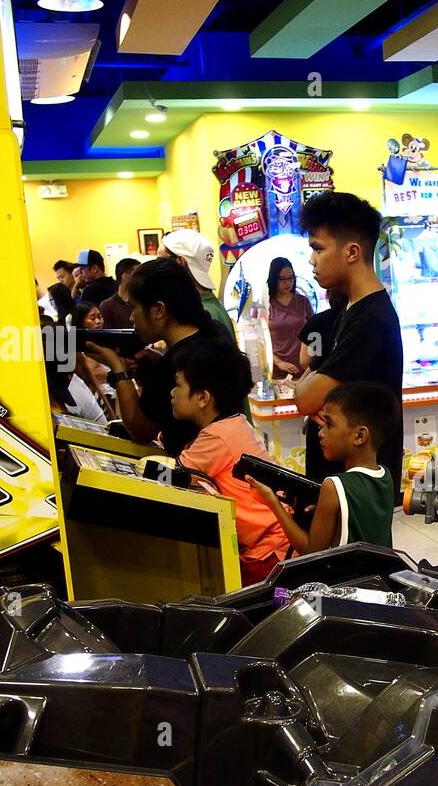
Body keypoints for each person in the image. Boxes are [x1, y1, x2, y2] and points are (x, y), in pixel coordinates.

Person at [293, 192, 404, 490]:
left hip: (358, 486)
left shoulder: (370, 318)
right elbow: (308, 389)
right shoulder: (348, 309)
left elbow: (305, 398)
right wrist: (314, 388)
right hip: (341, 480)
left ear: (352, 252)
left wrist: (313, 391)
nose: (311, 260)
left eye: (318, 249)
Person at [81, 257, 236, 457]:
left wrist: (118, 368)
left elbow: (139, 431)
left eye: (134, 308)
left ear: (159, 310)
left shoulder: (174, 366)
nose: (131, 318)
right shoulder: (215, 331)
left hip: (194, 476)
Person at [170, 339, 291, 585]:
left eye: (178, 385)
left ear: (203, 397)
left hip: (264, 553)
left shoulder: (217, 436)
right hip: (276, 540)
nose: (172, 392)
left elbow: (173, 475)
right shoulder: (235, 423)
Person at [251, 381, 397, 551]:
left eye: (329, 424)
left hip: (346, 576)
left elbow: (311, 550)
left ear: (360, 435)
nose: (320, 433)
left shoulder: (333, 486)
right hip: (380, 573)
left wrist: (273, 502)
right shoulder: (385, 475)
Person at [159, 229, 237, 341]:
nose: (157, 268)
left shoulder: (202, 315)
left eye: (160, 261)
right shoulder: (209, 306)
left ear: (180, 262)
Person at [265, 257, 314, 378]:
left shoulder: (303, 302)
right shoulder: (266, 305)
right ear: (274, 279)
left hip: (303, 368)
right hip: (276, 370)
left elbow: (314, 334)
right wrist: (279, 362)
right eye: (282, 279)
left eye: (291, 278)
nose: (288, 283)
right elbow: (261, 343)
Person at [298, 289, 345, 372]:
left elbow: (305, 361)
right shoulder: (361, 318)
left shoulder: (318, 321)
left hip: (320, 377)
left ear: (329, 295)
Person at [99, 257, 140, 329]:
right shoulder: (107, 306)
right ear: (125, 275)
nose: (141, 278)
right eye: (138, 274)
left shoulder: (141, 303)